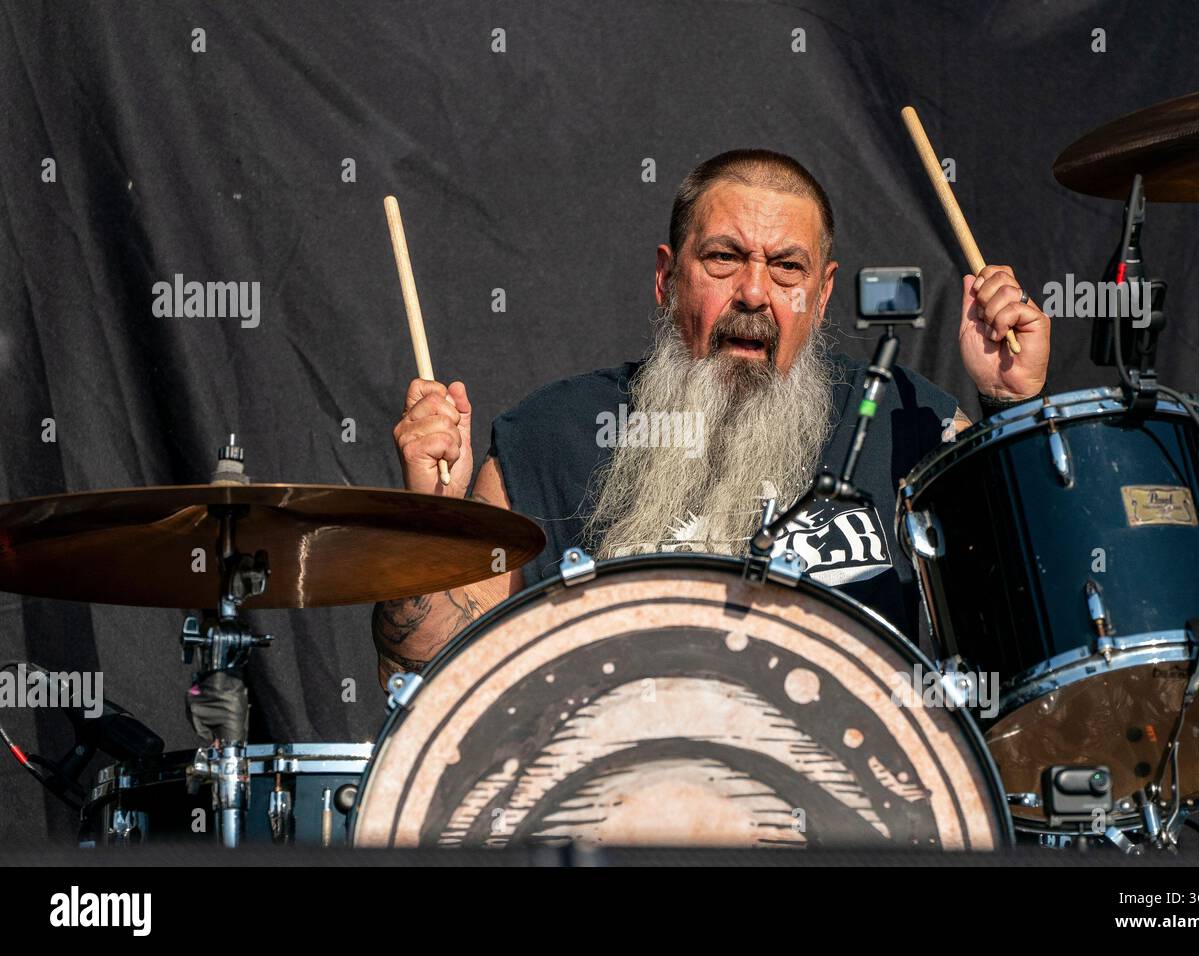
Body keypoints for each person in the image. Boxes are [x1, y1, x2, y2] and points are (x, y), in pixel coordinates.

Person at [372, 148, 1050, 686]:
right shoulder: (556, 435)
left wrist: (1012, 408)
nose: (754, 291)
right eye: (724, 258)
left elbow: (1035, 623)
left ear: (820, 297)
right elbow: (422, 670)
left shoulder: (908, 422)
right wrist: (431, 513)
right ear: (667, 279)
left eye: (787, 268)